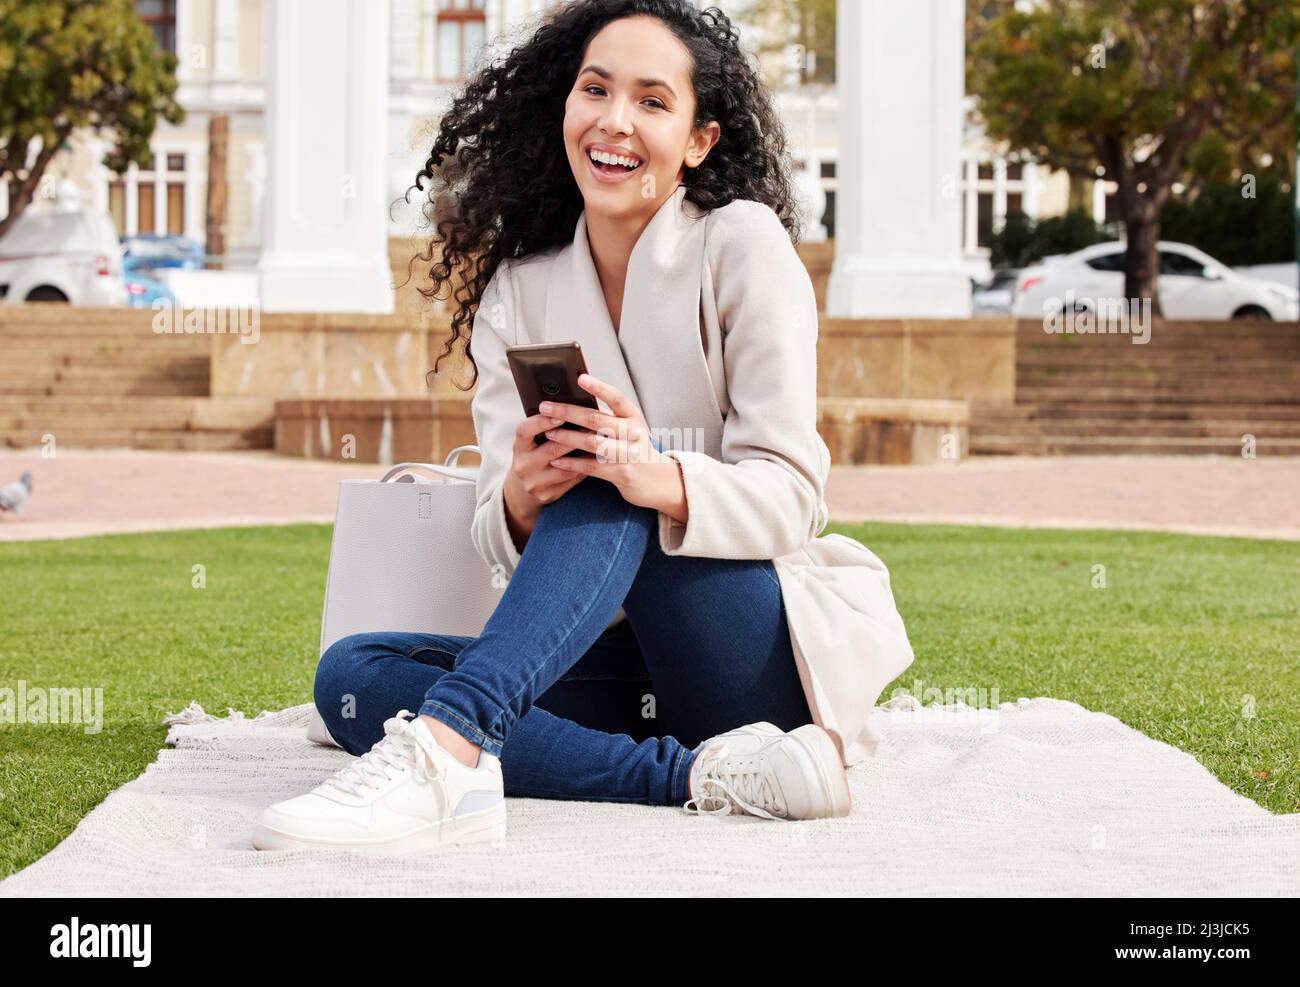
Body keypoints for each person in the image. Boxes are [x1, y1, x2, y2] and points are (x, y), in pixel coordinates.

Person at [252, 0, 914, 854]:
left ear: (700, 139)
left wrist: (653, 474)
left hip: (748, 655)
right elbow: (499, 530)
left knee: (610, 471)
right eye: (594, 89)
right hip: (613, 655)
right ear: (562, 107)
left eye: (651, 101)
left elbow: (793, 498)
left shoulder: (739, 243)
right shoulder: (519, 289)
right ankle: (699, 776)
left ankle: (449, 752)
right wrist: (525, 495)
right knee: (353, 675)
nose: (613, 121)